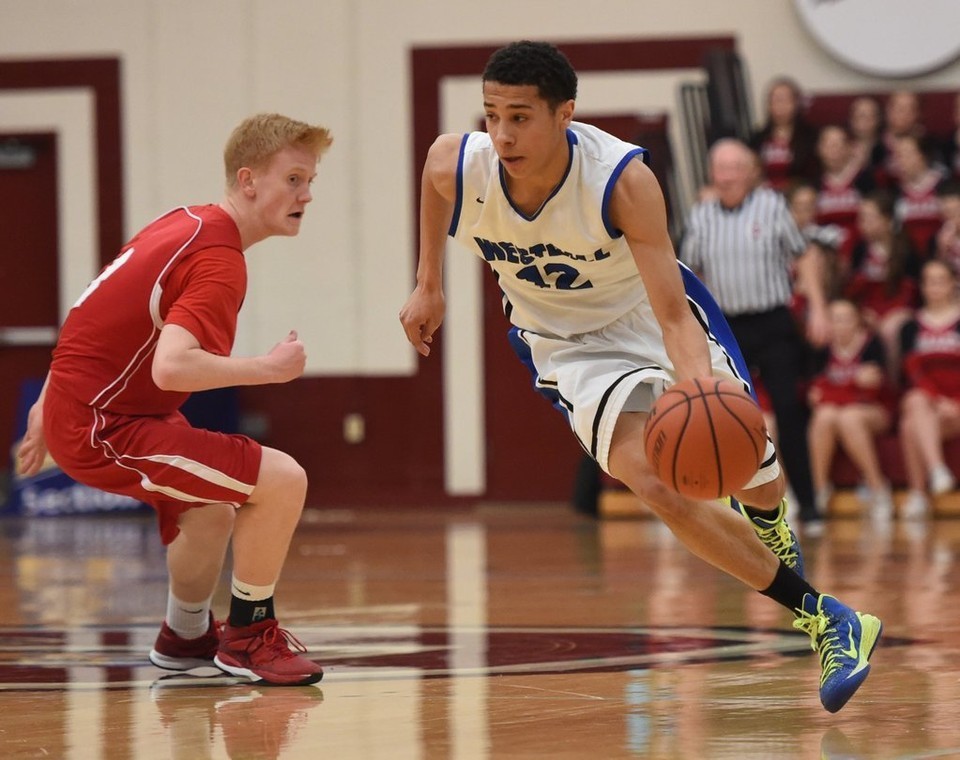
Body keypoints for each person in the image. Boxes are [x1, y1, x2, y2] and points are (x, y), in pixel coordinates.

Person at [399, 40, 881, 713]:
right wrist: (428, 284)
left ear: (565, 113)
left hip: (651, 316)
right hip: (565, 344)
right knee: (649, 478)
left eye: (520, 117)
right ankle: (827, 618)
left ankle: (766, 512)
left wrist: (695, 389)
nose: (501, 134)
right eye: (491, 115)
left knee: (748, 468)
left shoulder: (621, 180)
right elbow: (432, 174)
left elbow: (673, 314)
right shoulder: (461, 162)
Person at [16, 113, 332, 686]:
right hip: (105, 425)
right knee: (283, 479)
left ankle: (184, 637)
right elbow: (172, 366)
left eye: (310, 181)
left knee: (207, 512)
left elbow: (93, 311)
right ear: (248, 180)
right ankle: (249, 638)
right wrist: (269, 368)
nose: (307, 194)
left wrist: (47, 399)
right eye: (293, 179)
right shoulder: (219, 259)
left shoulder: (184, 221)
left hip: (92, 410)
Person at [680, 138, 828, 527]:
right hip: (729, 328)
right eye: (721, 169)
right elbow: (688, 272)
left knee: (789, 413)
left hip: (773, 322)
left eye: (734, 168)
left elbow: (804, 255)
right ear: (712, 174)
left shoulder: (773, 205)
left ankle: (808, 504)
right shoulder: (700, 216)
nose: (727, 176)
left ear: (750, 171)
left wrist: (819, 309)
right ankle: (744, 508)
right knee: (729, 416)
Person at [807, 299, 896, 519]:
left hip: (875, 410)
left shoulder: (872, 345)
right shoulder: (820, 349)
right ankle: (818, 490)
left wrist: (832, 390)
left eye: (846, 319)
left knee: (849, 417)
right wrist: (850, 385)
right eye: (835, 319)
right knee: (824, 417)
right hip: (836, 411)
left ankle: (878, 488)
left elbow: (871, 390)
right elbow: (812, 396)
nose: (840, 325)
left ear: (858, 322)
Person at [898, 259, 960, 518]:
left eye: (940, 281)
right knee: (914, 404)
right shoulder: (910, 327)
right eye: (929, 282)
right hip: (929, 404)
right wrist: (938, 402)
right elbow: (911, 372)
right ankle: (936, 472)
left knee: (911, 424)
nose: (934, 287)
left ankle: (919, 493)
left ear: (952, 284)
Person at [844, 191, 921, 380]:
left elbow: (912, 291)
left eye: (871, 218)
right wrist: (861, 312)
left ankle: (893, 386)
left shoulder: (905, 248)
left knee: (890, 330)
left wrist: (891, 314)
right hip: (868, 309)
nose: (864, 224)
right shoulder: (860, 250)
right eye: (861, 218)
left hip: (899, 309)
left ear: (887, 220)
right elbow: (853, 291)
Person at [747, 76, 820, 192]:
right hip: (764, 196)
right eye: (775, 100)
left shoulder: (811, 136)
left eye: (785, 100)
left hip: (799, 196)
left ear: (796, 103)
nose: (780, 105)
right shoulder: (757, 138)